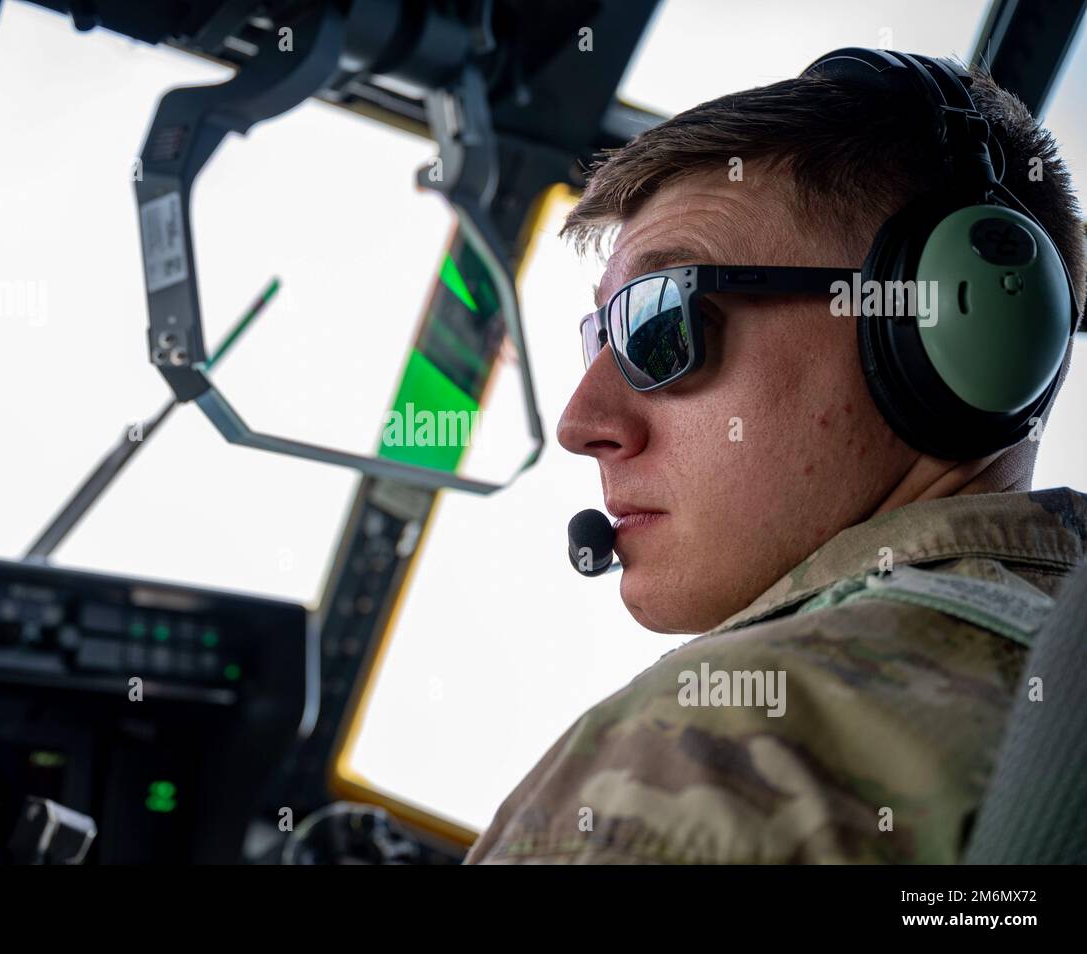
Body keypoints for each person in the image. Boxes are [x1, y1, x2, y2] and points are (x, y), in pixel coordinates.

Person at [465, 50, 1086, 864]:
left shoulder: (705, 761)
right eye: (600, 336)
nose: (582, 422)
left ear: (943, 329)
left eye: (660, 322)